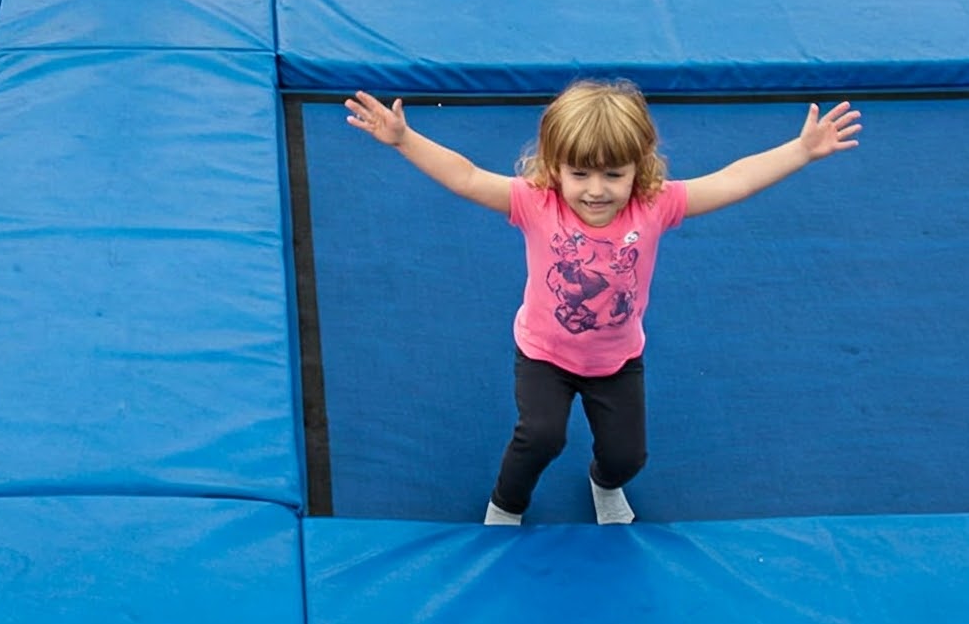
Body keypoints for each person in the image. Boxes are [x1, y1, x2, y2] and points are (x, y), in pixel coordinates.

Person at [343, 77, 860, 524]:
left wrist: (801, 150)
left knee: (627, 456)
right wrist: (404, 139)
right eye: (580, 174)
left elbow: (735, 180)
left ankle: (604, 483)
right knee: (541, 436)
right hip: (545, 353)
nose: (596, 190)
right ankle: (507, 501)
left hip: (616, 359)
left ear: (639, 169)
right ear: (554, 167)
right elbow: (467, 176)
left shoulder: (656, 206)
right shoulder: (534, 201)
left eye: (613, 175)